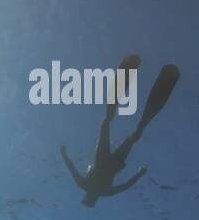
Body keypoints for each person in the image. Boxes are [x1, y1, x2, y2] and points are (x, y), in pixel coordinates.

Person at [61, 55, 180, 207]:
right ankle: (116, 118)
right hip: (104, 160)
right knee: (106, 124)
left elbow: (126, 185)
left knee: (132, 135)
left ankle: (137, 125)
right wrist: (63, 154)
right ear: (88, 198)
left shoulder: (103, 192)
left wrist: (140, 173)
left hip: (111, 162)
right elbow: (71, 168)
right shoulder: (87, 186)